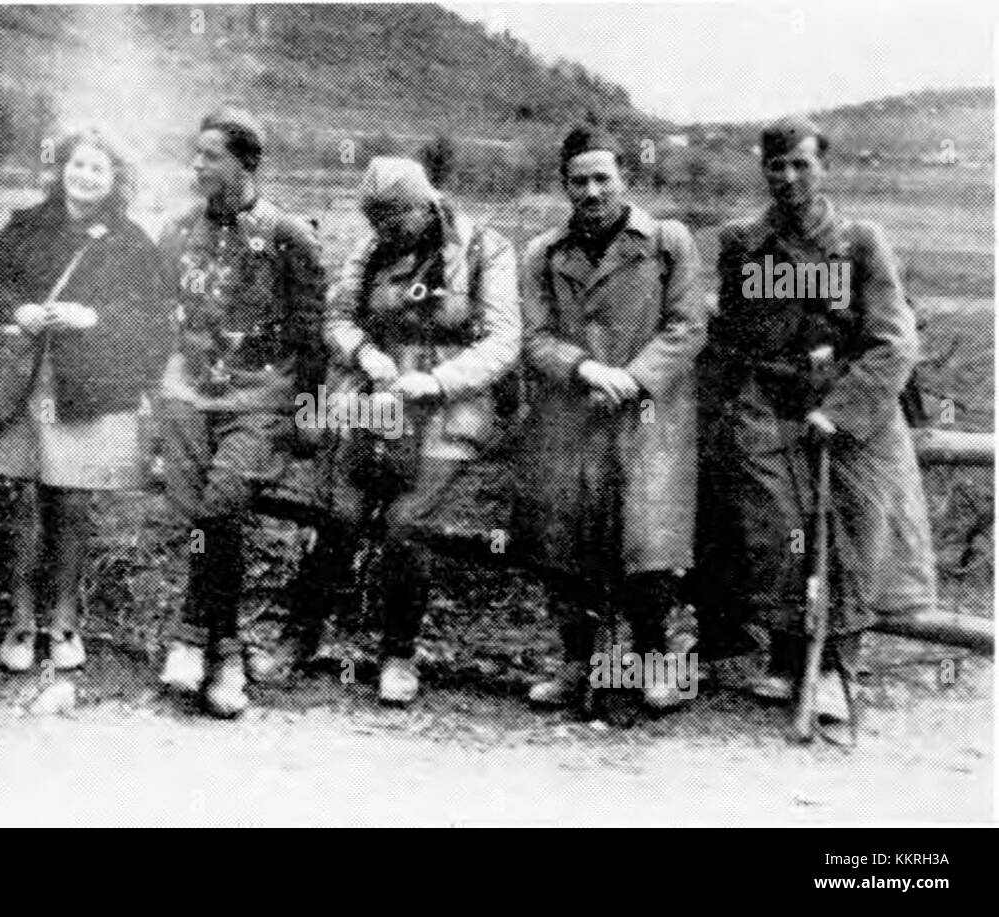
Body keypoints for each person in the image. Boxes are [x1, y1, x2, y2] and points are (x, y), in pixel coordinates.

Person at [701, 117, 937, 724]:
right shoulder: (739, 243)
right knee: (776, 529)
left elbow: (893, 342)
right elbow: (729, 334)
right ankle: (785, 660)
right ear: (763, 170)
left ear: (823, 167)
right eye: (776, 166)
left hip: (849, 412)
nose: (788, 177)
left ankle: (833, 669)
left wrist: (839, 411)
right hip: (767, 406)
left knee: (849, 532)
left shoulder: (860, 243)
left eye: (801, 164)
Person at [290, 156, 520, 705]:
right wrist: (366, 354)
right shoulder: (370, 252)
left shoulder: (486, 250)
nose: (385, 232)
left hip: (448, 407)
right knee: (340, 511)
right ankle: (300, 634)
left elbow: (503, 340)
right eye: (376, 221)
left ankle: (398, 651)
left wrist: (437, 381)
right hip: (378, 397)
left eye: (396, 220)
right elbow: (336, 318)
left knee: (405, 522)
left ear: (426, 204)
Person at [514, 126, 706, 714]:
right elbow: (536, 337)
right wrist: (584, 370)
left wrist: (634, 376)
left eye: (603, 178)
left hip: (650, 419)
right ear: (564, 185)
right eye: (579, 181)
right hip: (569, 417)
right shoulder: (544, 254)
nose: (592, 192)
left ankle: (654, 663)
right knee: (564, 546)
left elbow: (688, 326)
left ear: (625, 179)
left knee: (648, 545)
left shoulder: (668, 241)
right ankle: (577, 665)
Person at [0, 125, 173, 673]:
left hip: (86, 387)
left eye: (98, 168)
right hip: (25, 381)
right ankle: (19, 622)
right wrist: (16, 310)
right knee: (25, 503)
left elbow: (152, 321)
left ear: (115, 180)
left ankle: (64, 622)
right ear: (60, 168)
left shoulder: (130, 242)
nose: (84, 175)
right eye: (77, 164)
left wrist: (94, 318)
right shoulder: (25, 226)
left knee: (71, 504)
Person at [156, 108, 326, 718]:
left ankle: (207, 643)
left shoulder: (289, 237)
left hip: (261, 399)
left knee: (221, 502)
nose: (197, 166)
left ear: (247, 163)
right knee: (196, 513)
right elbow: (160, 322)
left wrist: (308, 411)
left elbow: (312, 338)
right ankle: (212, 639)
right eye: (195, 155)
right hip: (189, 394)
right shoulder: (177, 232)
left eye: (211, 155)